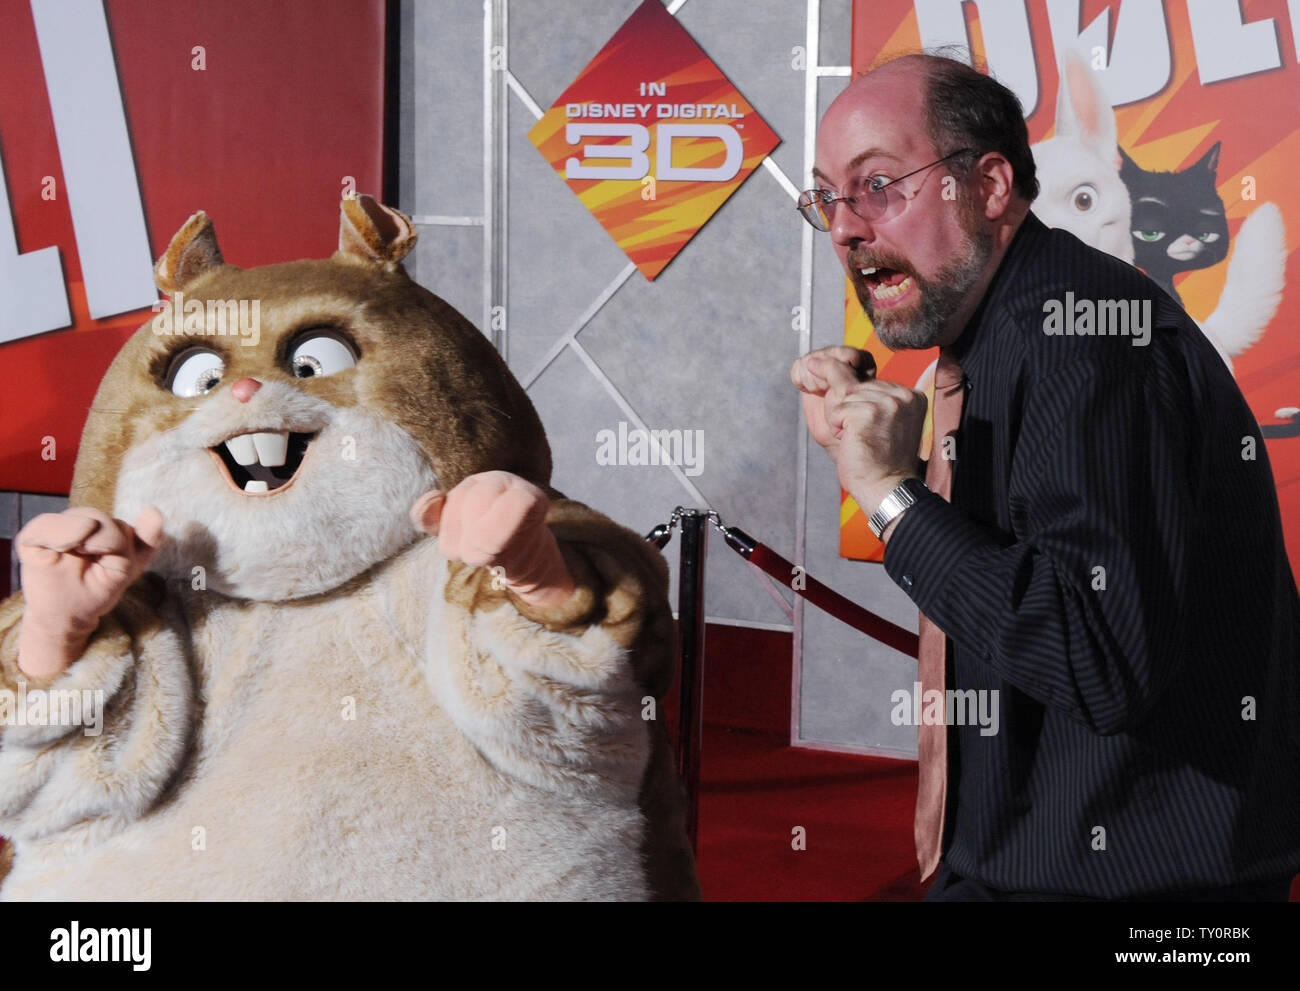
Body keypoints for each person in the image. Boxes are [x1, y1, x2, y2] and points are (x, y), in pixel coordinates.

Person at [790, 52, 1300, 901]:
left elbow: (1096, 657)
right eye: (827, 197)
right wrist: (903, 466)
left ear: (989, 188)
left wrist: (890, 497)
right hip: (1041, 851)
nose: (845, 226)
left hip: (1135, 889)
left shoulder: (1084, 343)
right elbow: (1049, 548)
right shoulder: (1011, 323)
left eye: (877, 185)